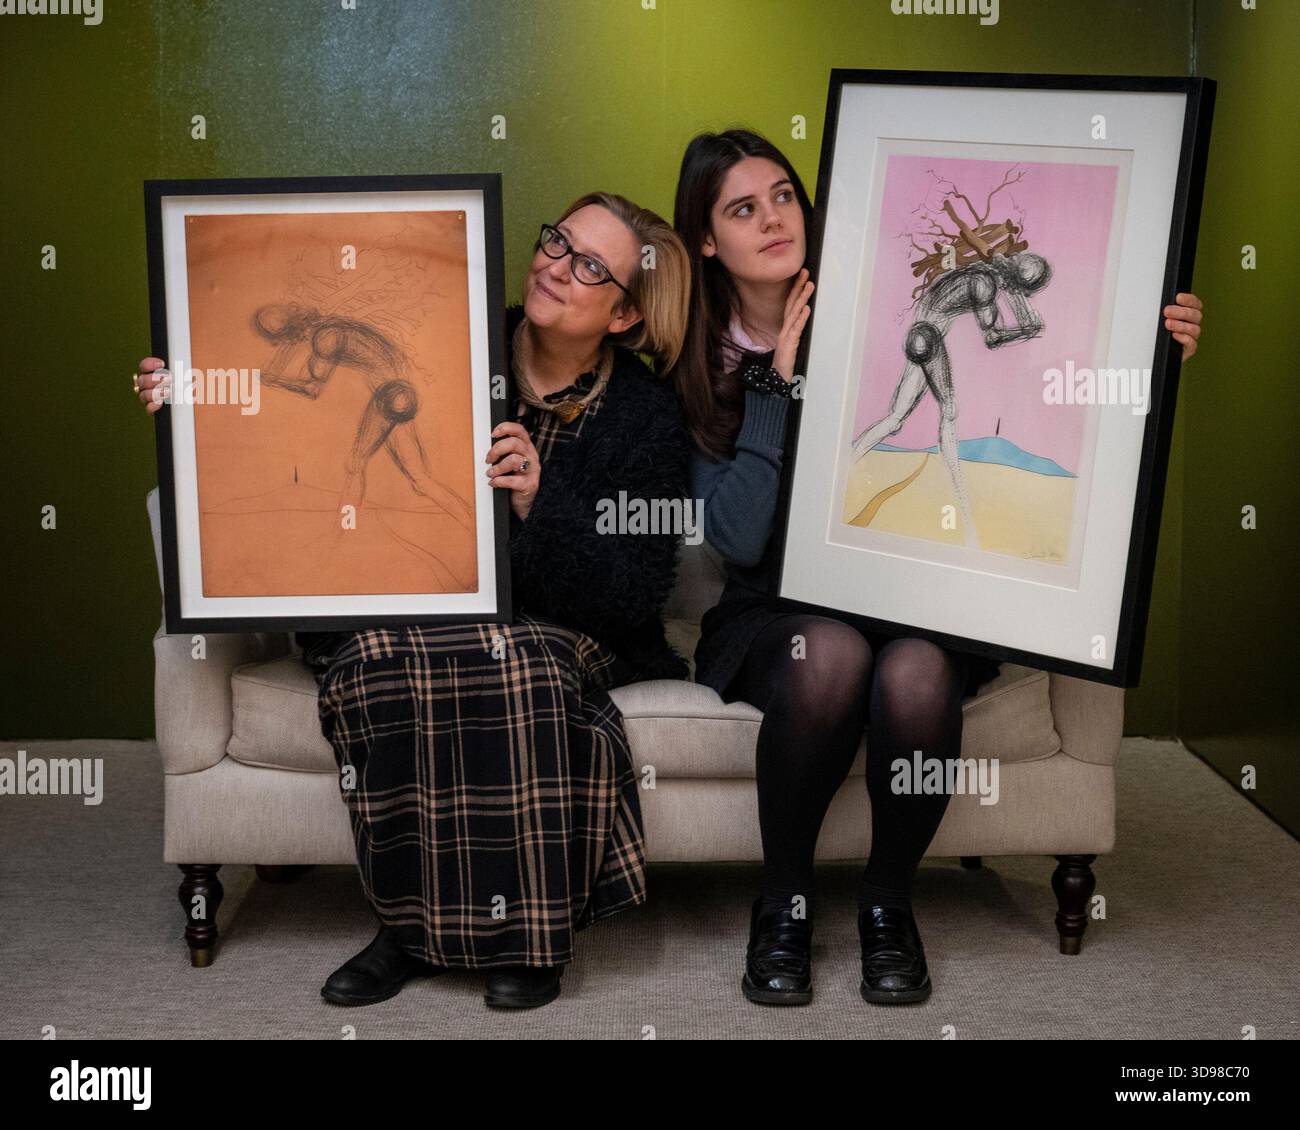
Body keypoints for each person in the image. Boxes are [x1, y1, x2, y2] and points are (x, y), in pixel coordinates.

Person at [670, 128, 1205, 1006]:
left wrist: (1150, 353)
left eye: (782, 195)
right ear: (705, 239)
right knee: (832, 654)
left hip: (913, 596)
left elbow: (1037, 366)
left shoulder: (878, 302)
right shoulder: (699, 366)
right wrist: (776, 382)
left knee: (918, 669)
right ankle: (787, 901)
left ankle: (888, 901)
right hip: (779, 609)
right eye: (741, 208)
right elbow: (734, 538)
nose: (774, 219)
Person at [134, 191, 694, 1010]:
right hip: (408, 611)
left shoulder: (645, 417)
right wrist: (194, 392)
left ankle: (526, 939)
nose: (553, 265)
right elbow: (306, 407)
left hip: (563, 629)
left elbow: (635, 591)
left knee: (516, 662)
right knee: (373, 663)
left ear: (623, 315)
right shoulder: (453, 333)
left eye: (588, 266)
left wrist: (543, 505)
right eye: (556, 238)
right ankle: (407, 929)